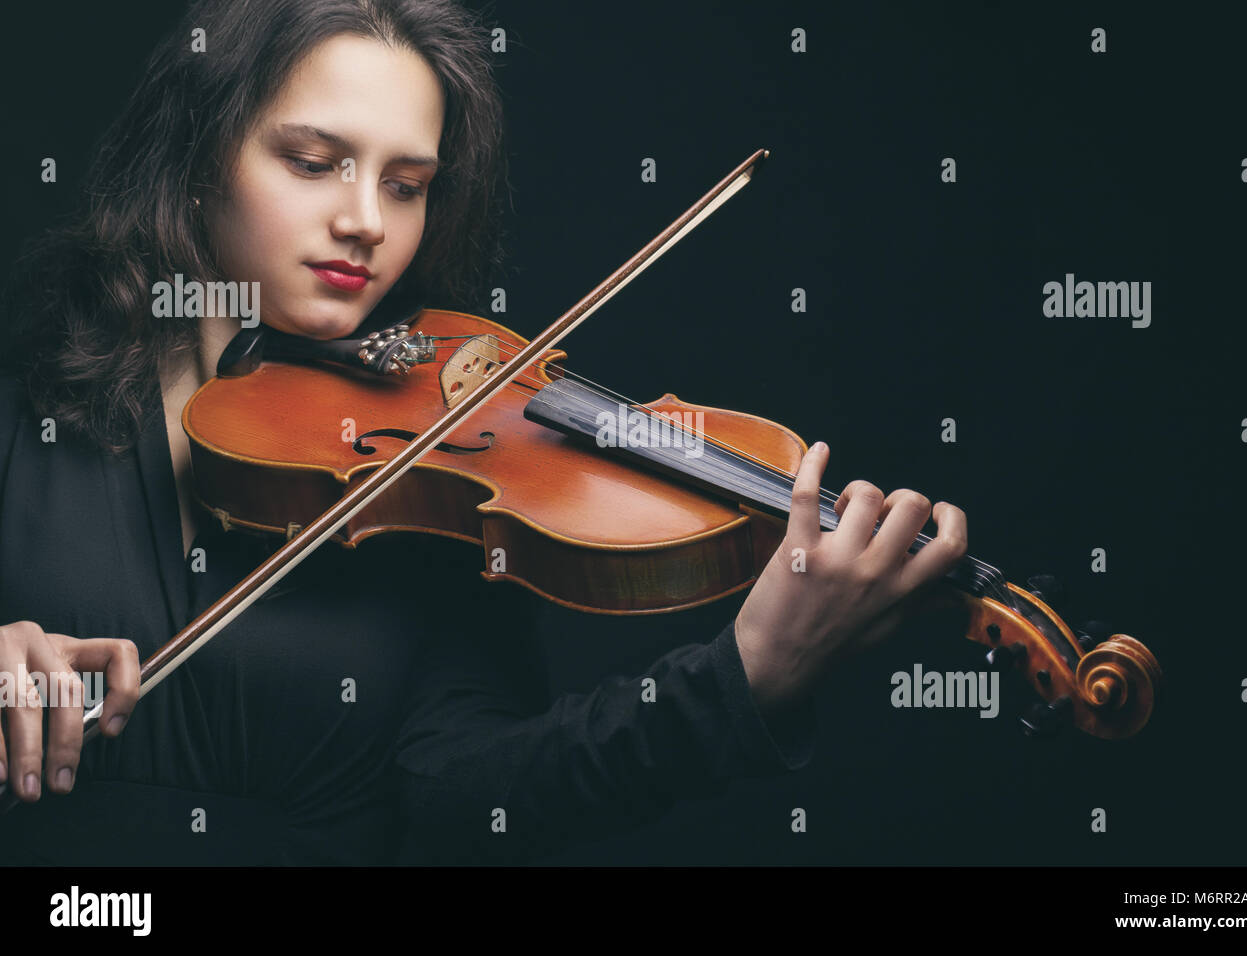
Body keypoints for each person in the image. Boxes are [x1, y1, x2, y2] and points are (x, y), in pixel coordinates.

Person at [0, 0, 967, 865]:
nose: (366, 220)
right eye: (310, 162)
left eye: (408, 183)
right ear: (199, 154)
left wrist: (747, 677)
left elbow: (476, 804)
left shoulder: (436, 484)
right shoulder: (22, 409)